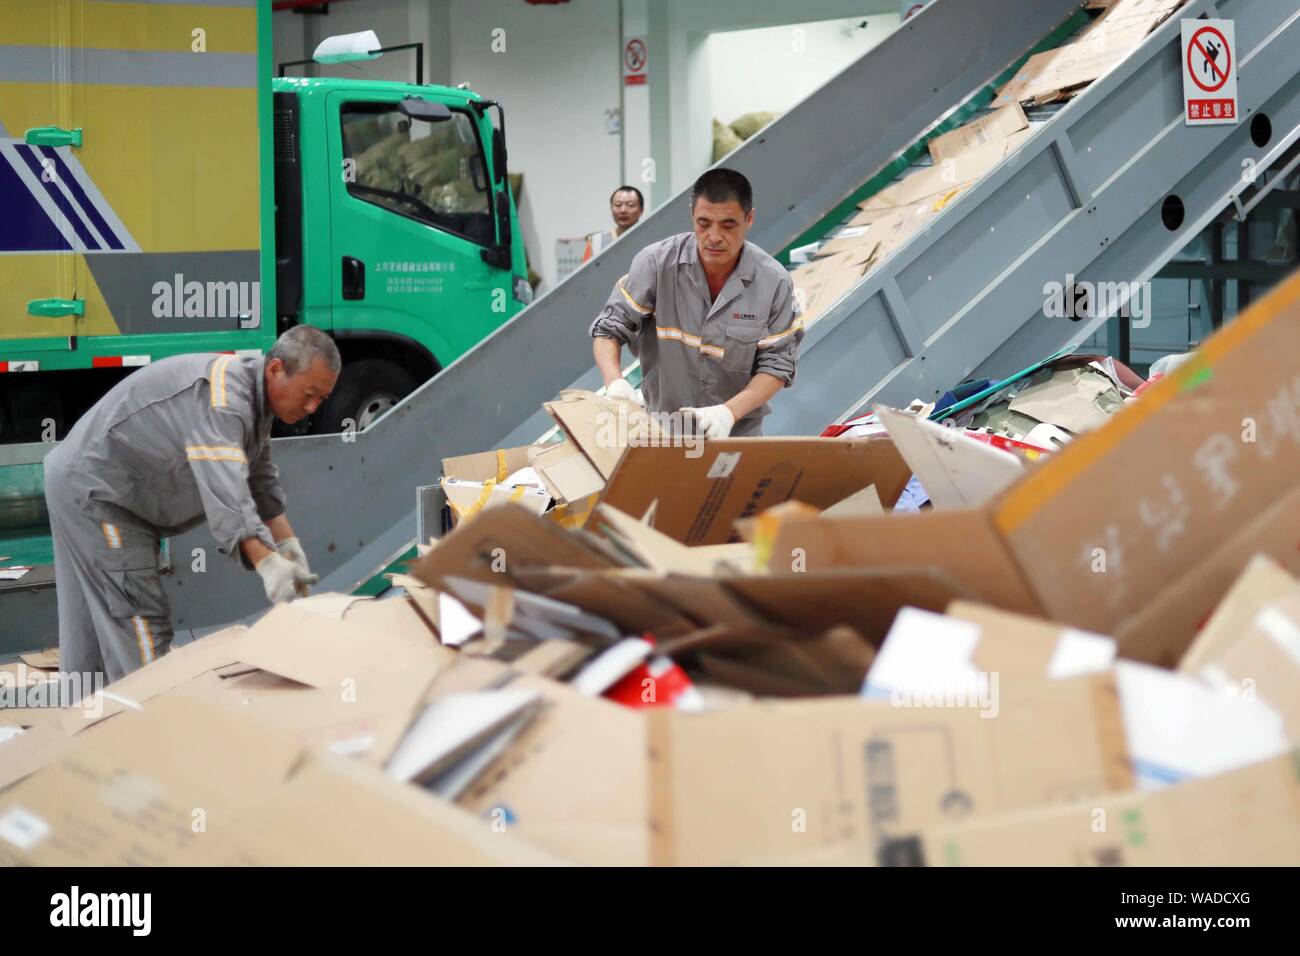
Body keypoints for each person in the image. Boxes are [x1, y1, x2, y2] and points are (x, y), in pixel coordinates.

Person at [43, 326, 340, 681]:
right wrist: (269, 566)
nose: (311, 408)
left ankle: (82, 724)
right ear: (276, 369)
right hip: (100, 492)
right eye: (309, 394)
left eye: (321, 400)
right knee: (139, 625)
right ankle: (156, 728)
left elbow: (260, 484)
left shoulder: (254, 402)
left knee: (89, 636)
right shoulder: (225, 400)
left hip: (89, 483)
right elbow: (228, 498)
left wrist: (290, 548)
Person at [589, 168, 801, 438]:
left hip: (736, 436)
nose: (713, 236)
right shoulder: (656, 264)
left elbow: (778, 365)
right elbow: (609, 328)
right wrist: (615, 383)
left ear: (749, 219)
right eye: (704, 223)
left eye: (728, 225)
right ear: (692, 216)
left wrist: (728, 413)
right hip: (664, 434)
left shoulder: (774, 283)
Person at [582, 185, 645, 262]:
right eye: (618, 205)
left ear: (641, 210)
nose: (623, 210)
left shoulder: (651, 239)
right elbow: (585, 273)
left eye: (630, 205)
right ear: (611, 208)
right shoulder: (595, 242)